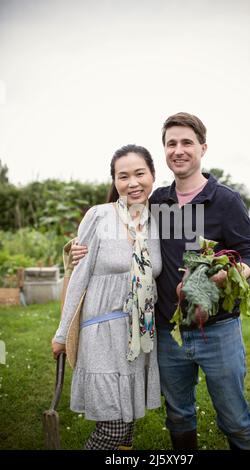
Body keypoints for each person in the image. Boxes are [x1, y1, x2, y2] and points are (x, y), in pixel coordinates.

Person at [71, 112, 250, 451]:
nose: (179, 150)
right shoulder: (158, 201)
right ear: (165, 152)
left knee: (234, 419)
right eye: (171, 143)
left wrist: (229, 274)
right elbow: (117, 222)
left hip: (218, 330)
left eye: (187, 142)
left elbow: (248, 254)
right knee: (179, 415)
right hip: (168, 332)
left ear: (203, 147)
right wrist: (75, 248)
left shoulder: (226, 201)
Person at [52, 144, 162, 450]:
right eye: (123, 176)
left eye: (140, 173)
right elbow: (78, 276)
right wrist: (62, 333)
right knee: (112, 430)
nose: (132, 183)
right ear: (114, 181)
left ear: (153, 175)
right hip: (103, 335)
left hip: (140, 338)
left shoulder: (158, 222)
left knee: (126, 430)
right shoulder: (100, 215)